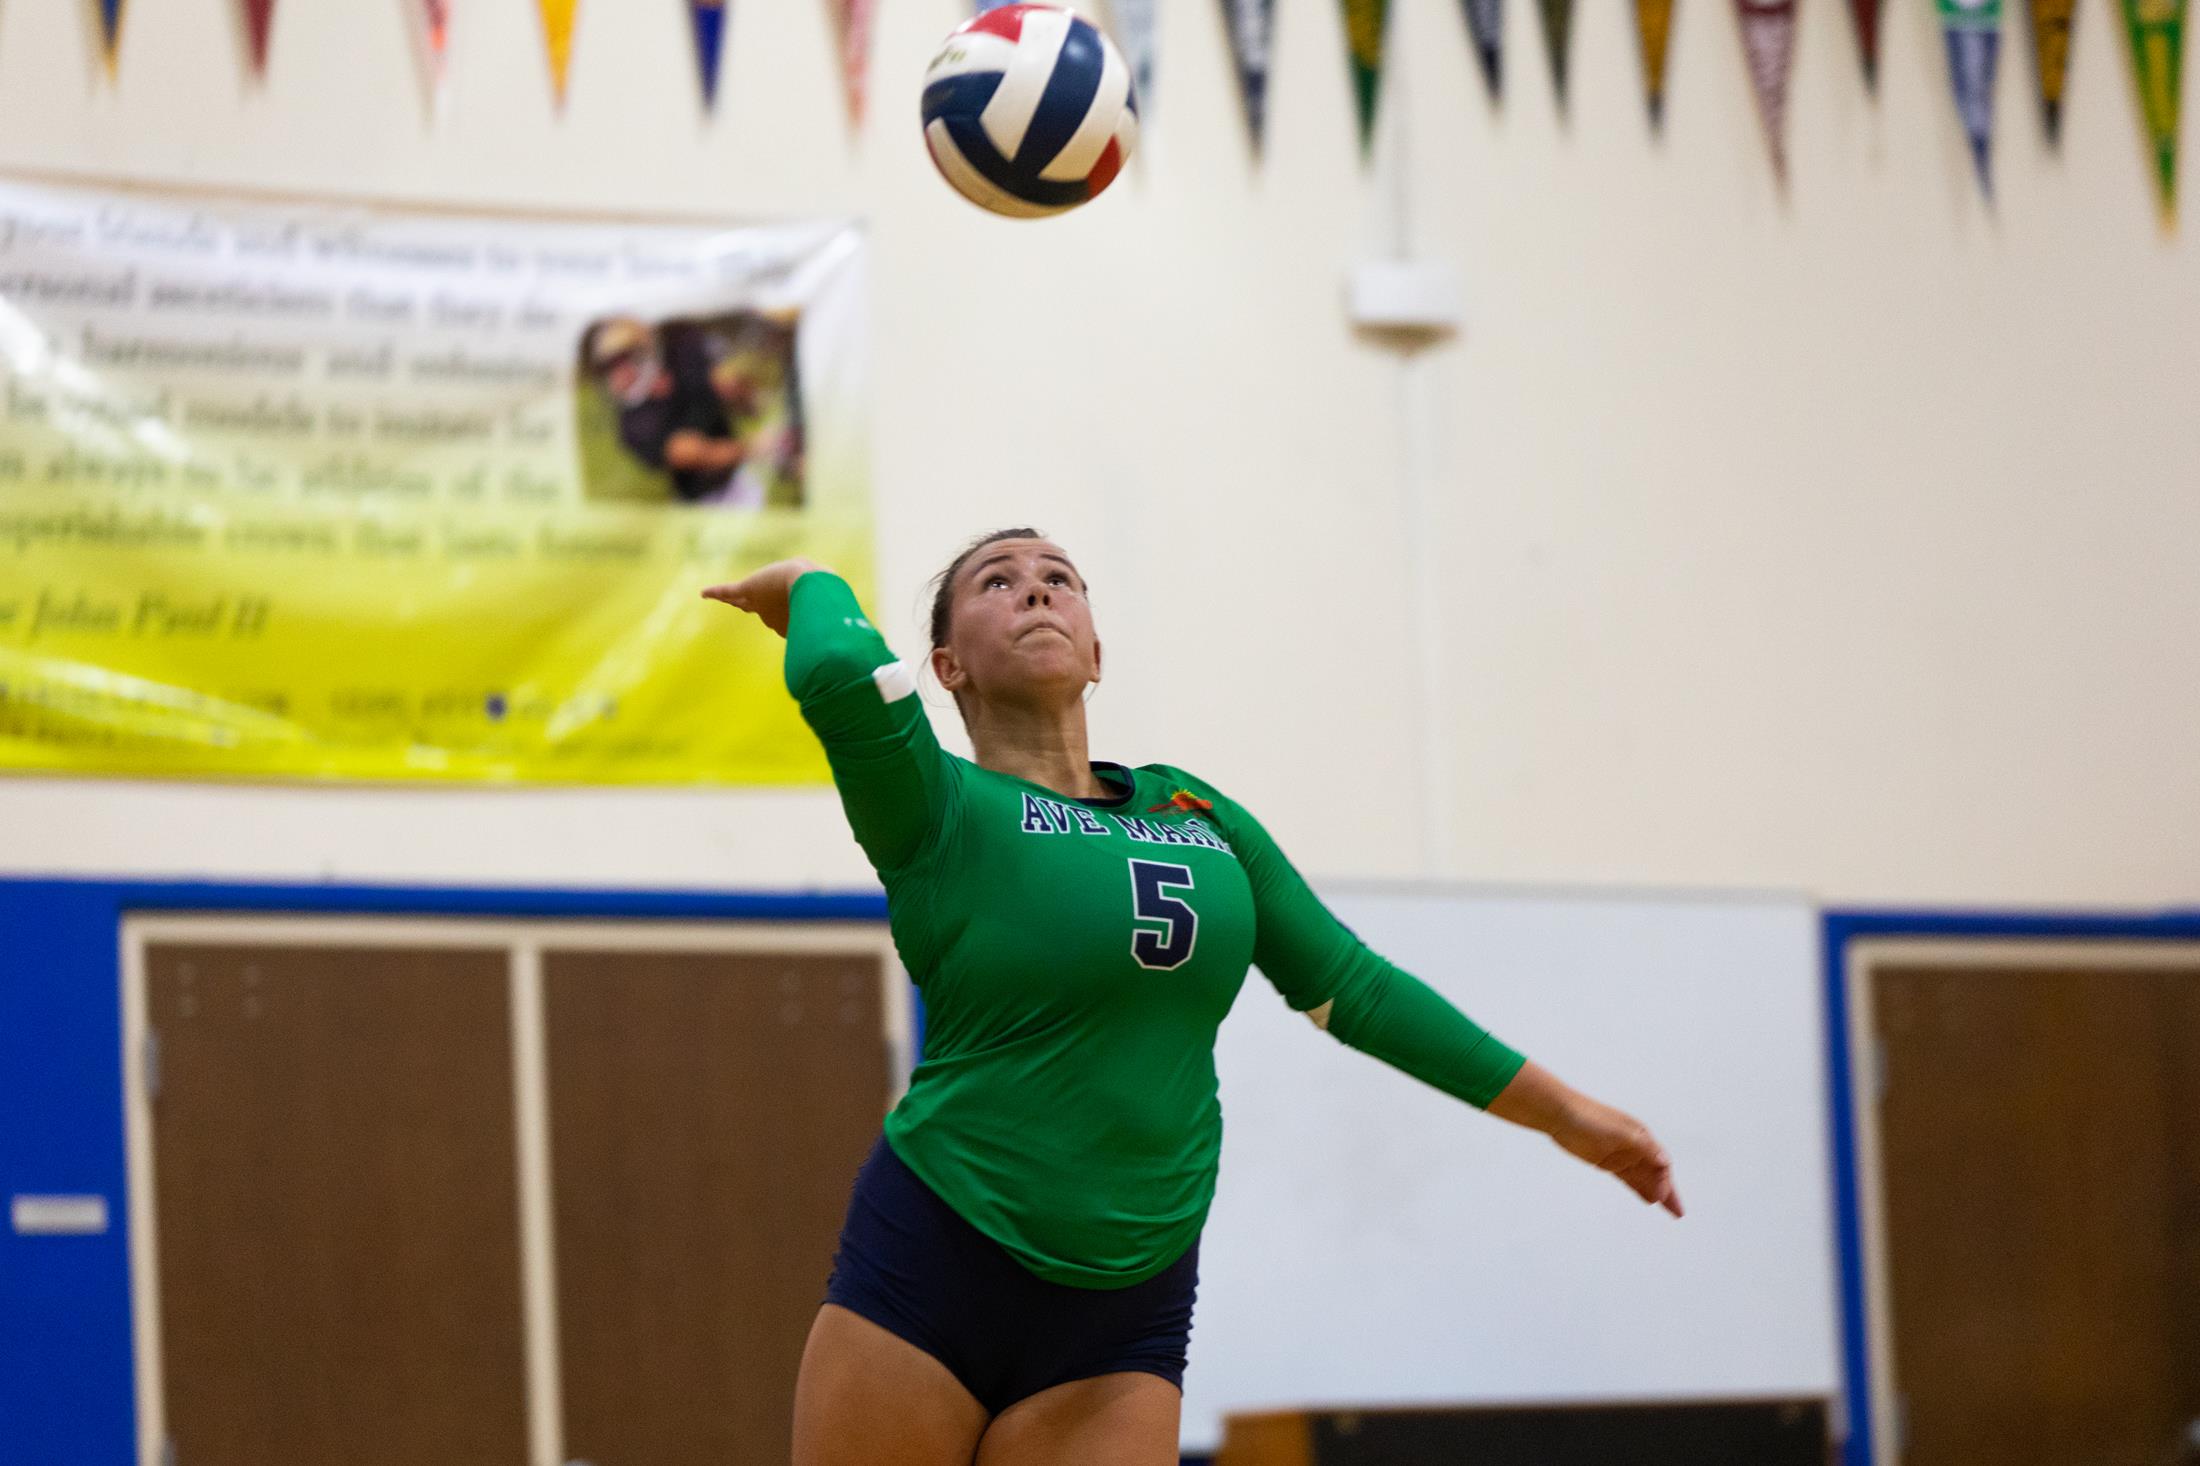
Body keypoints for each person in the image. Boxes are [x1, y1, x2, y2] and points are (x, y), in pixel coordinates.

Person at [703, 530, 1682, 1466]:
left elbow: (1356, 990)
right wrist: (804, 582)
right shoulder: (936, 804)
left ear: (1097, 652)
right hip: (938, 1257)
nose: (1037, 588)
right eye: (997, 581)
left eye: (1060, 577)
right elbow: (838, 669)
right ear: (947, 664)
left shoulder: (1197, 814)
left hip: (1128, 1295)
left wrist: (1567, 1116)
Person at [582, 315, 794, 506]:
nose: (617, 375)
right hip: (706, 498)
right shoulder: (635, 426)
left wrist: (756, 403)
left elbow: (727, 387)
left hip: (741, 467)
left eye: (621, 361)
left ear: (641, 353)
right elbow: (694, 453)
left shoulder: (682, 357)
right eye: (608, 367)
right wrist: (756, 447)